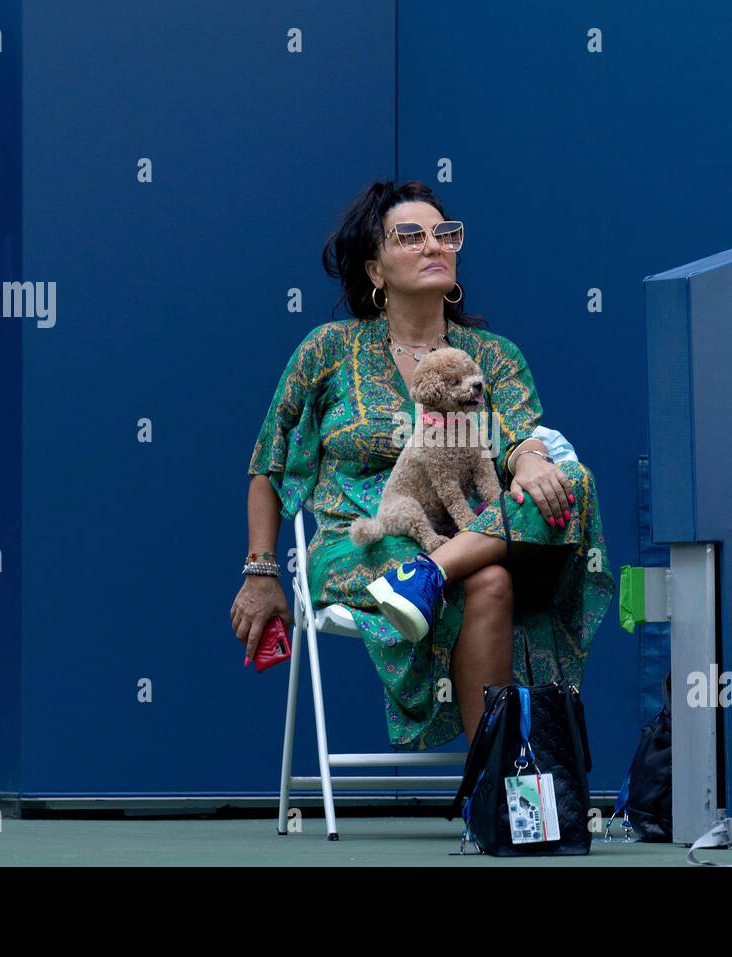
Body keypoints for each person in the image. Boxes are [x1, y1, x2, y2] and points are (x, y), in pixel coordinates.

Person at [232, 179, 613, 749]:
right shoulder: (328, 349)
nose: (433, 245)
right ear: (375, 271)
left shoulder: (495, 356)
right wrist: (261, 572)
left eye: (444, 234)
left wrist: (531, 459)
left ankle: (431, 577)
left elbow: (521, 433)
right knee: (486, 576)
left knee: (571, 481)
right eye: (409, 236)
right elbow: (268, 464)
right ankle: (499, 786)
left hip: (468, 530)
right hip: (365, 539)